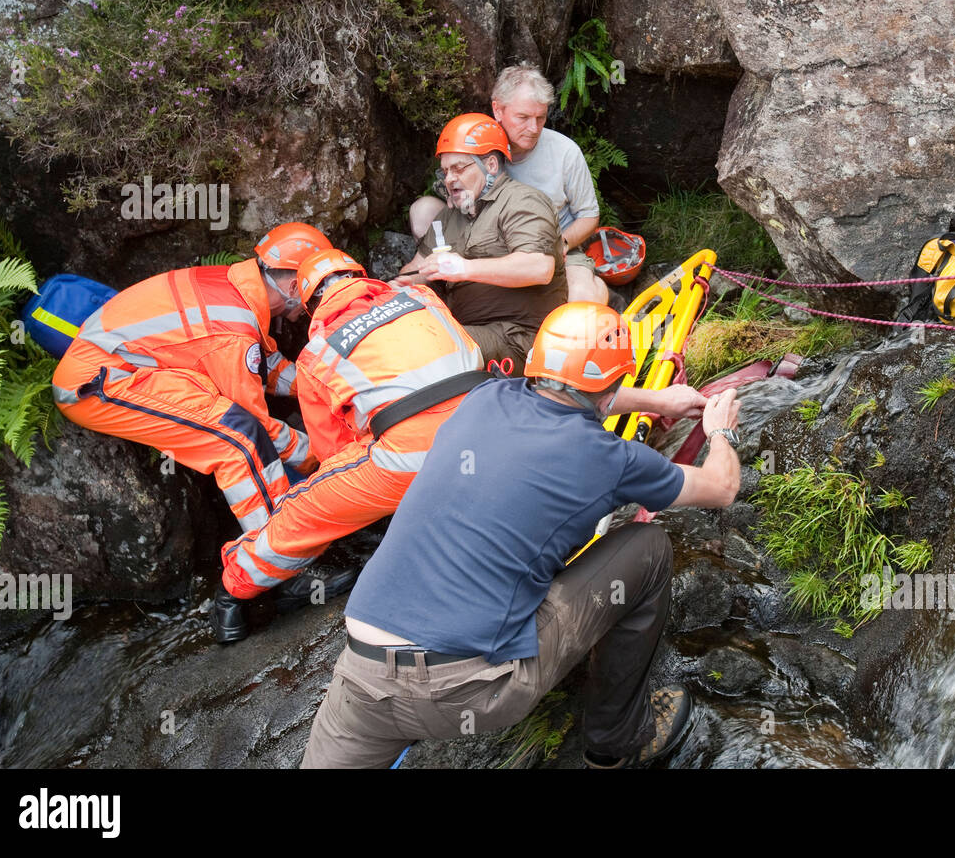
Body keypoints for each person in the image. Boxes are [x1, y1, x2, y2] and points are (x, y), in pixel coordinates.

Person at [300, 302, 742, 769]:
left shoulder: (483, 398)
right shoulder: (609, 457)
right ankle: (617, 742)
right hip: (472, 691)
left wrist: (656, 400)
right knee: (649, 549)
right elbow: (722, 488)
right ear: (613, 385)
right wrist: (720, 434)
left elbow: (576, 393)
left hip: (363, 675)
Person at [212, 248, 486, 643]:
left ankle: (233, 592)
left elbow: (336, 454)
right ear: (361, 274)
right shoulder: (423, 298)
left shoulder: (318, 353)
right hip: (490, 430)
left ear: (309, 303)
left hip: (411, 459)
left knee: (303, 508)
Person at [51, 222, 326, 535]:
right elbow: (255, 423)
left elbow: (264, 363)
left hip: (131, 362)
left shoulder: (232, 284)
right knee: (239, 439)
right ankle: (278, 554)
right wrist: (321, 455)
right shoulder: (234, 333)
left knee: (241, 426)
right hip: (99, 383)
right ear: (294, 289)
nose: (314, 303)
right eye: (315, 289)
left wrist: (324, 389)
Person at [409, 66, 610, 305]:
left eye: (540, 118)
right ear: (498, 110)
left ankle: (600, 299)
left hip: (548, 247)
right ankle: (442, 283)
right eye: (523, 118)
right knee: (423, 210)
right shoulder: (476, 141)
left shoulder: (565, 152)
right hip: (484, 238)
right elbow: (450, 182)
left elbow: (589, 215)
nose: (534, 129)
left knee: (583, 296)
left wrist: (561, 244)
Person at [391, 113, 567, 375]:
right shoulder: (449, 217)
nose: (449, 179)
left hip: (521, 340)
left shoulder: (522, 201)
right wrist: (397, 286)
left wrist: (463, 269)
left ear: (491, 165)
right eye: (445, 171)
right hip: (464, 331)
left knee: (425, 349)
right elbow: (418, 268)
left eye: (459, 168)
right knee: (391, 340)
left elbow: (538, 267)